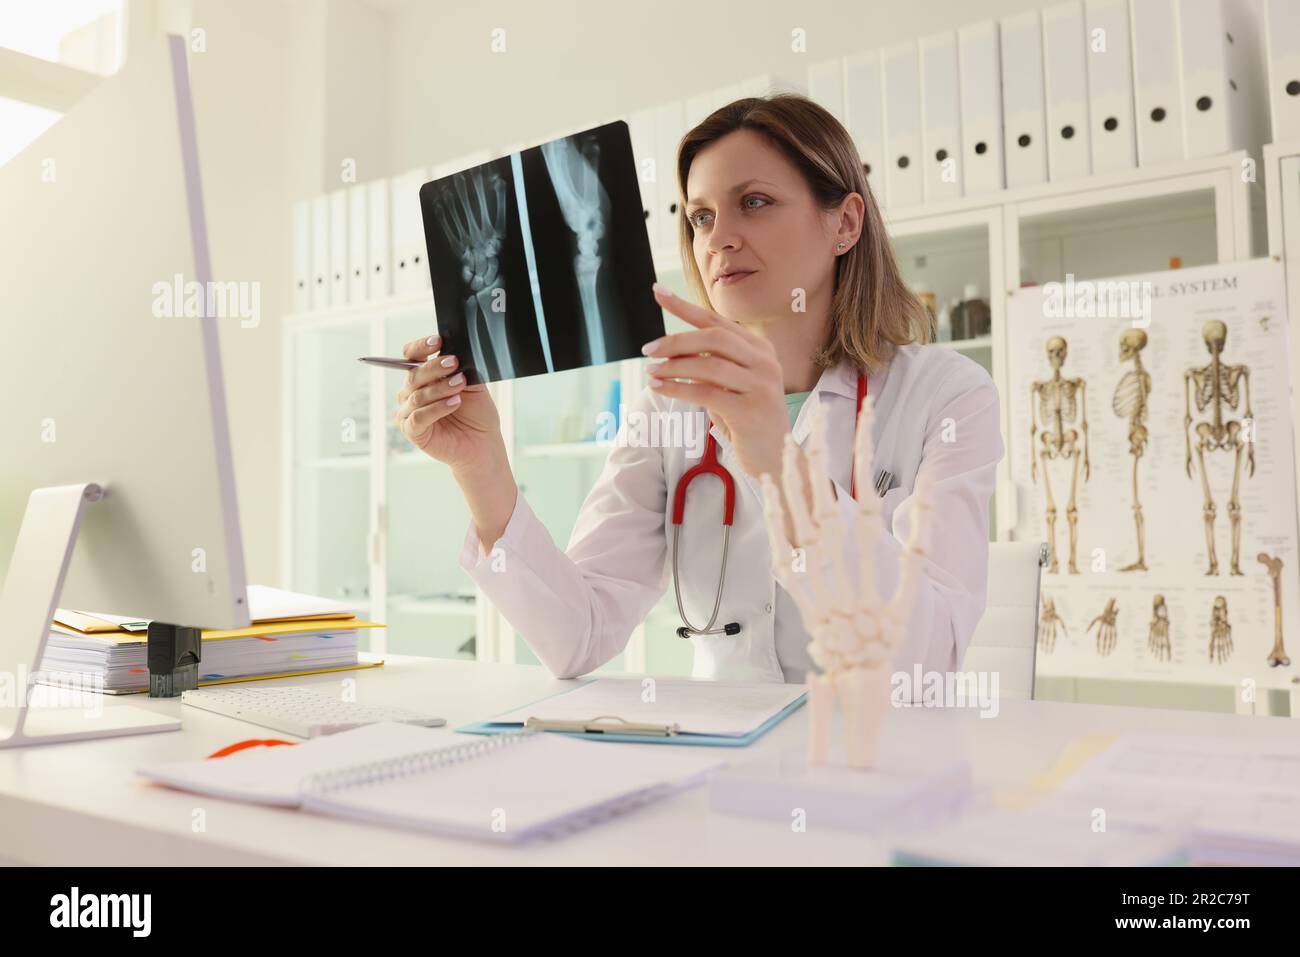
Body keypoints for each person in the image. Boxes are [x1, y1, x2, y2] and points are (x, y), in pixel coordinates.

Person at [393, 94, 1005, 684]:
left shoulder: (947, 395)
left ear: (844, 222)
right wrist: (481, 468)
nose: (718, 239)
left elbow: (927, 662)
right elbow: (578, 636)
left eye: (756, 202)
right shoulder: (670, 402)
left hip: (884, 765)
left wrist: (776, 458)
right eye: (702, 216)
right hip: (721, 754)